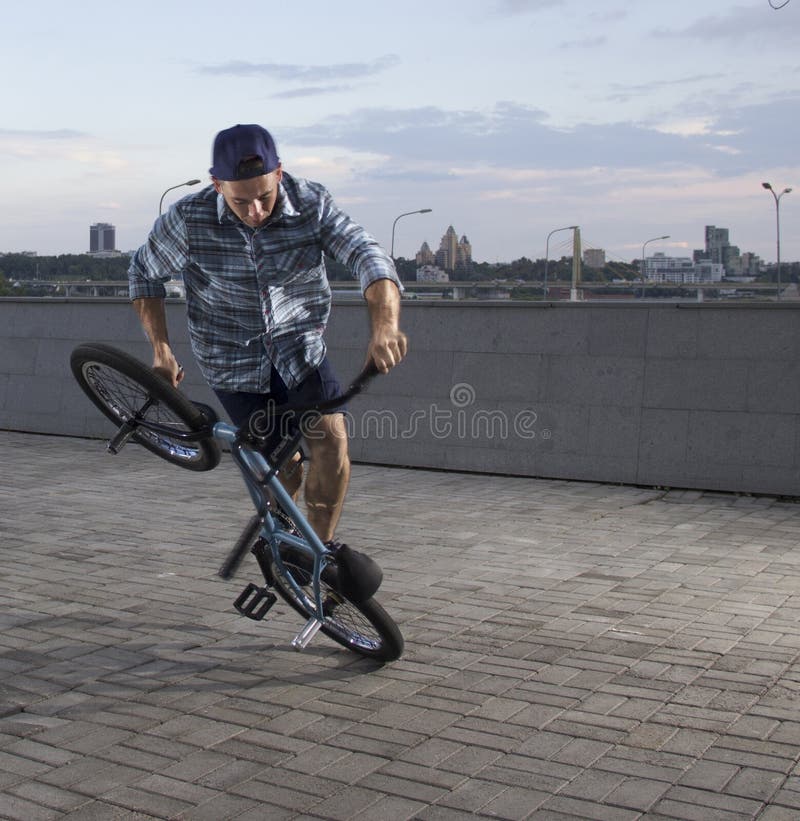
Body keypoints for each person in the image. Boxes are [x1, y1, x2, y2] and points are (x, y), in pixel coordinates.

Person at [128, 123, 407, 547]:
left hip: (300, 347)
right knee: (285, 465)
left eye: (264, 196)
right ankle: (281, 541)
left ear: (279, 174)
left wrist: (385, 325)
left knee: (330, 440)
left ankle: (319, 555)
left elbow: (367, 254)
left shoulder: (312, 202)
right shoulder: (188, 218)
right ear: (217, 183)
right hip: (231, 358)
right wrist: (161, 350)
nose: (256, 211)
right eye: (241, 201)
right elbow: (144, 273)